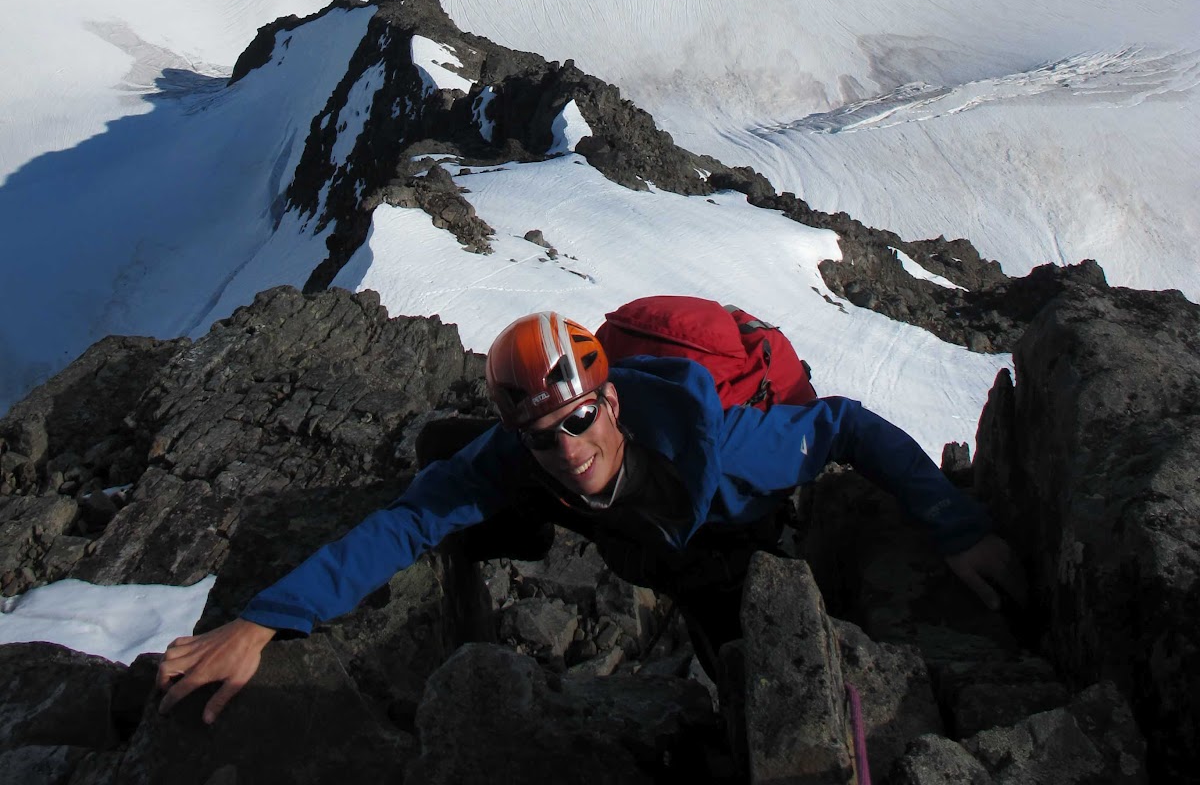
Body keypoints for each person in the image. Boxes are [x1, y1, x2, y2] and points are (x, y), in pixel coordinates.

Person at [157, 309, 1025, 723]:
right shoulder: (522, 458)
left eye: (580, 419)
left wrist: (954, 528)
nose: (569, 445)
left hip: (720, 544)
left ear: (609, 402)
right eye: (542, 433)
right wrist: (262, 623)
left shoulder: (717, 443)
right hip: (613, 533)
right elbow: (401, 526)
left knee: (751, 688)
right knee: (442, 466)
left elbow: (843, 426)